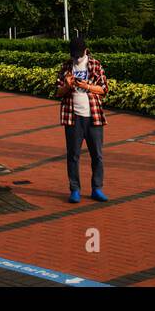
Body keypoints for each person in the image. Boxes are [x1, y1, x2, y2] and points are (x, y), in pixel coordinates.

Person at [56, 36, 108, 203]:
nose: (76, 58)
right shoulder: (66, 67)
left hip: (93, 117)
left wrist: (87, 86)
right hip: (73, 117)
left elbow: (104, 89)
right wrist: (67, 86)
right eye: (74, 55)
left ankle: (97, 188)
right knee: (73, 155)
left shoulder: (95, 65)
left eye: (79, 54)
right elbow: (58, 92)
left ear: (85, 50)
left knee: (97, 155)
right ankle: (75, 190)